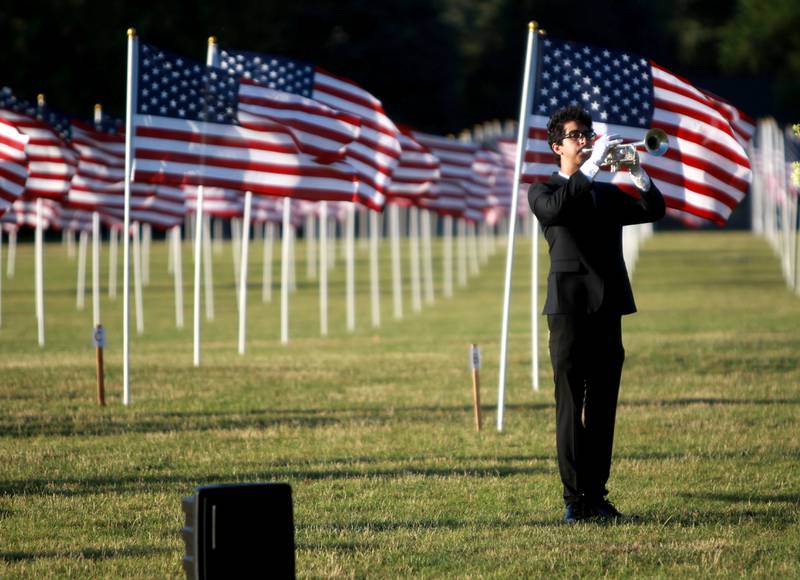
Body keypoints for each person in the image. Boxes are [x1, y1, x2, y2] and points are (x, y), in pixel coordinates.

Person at [528, 106, 665, 523]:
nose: (586, 139)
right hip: (568, 310)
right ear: (558, 147)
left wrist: (638, 174)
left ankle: (597, 495)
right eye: (577, 135)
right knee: (570, 403)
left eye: (588, 133)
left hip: (607, 306)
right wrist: (588, 170)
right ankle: (575, 499)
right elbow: (556, 212)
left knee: (603, 405)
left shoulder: (604, 194)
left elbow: (652, 210)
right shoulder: (543, 189)